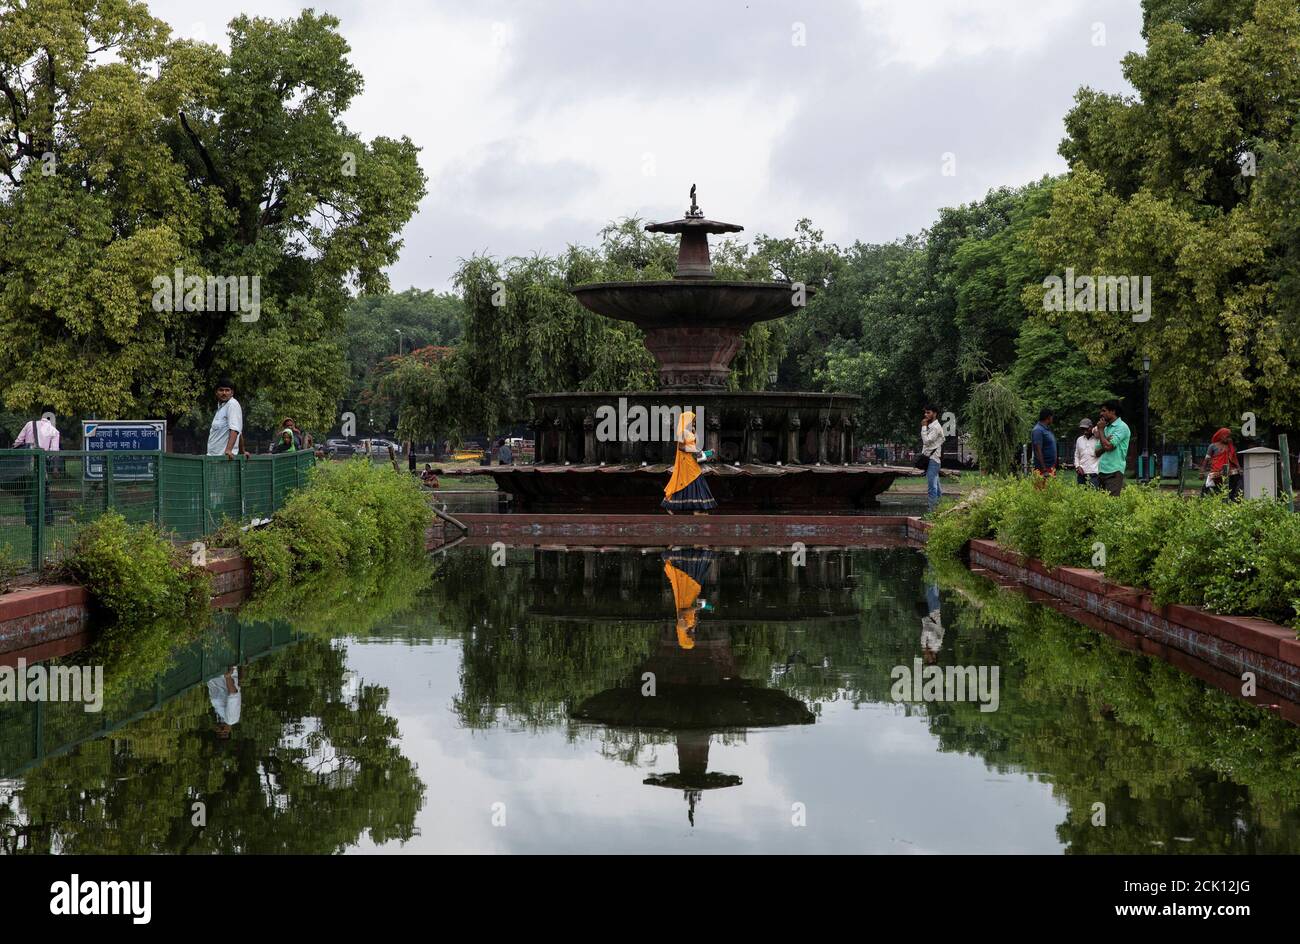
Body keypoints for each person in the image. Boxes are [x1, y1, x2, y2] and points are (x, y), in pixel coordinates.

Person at [662, 411, 717, 515]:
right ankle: (671, 505)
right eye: (692, 421)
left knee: (693, 482)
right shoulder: (682, 432)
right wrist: (694, 449)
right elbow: (681, 447)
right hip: (685, 462)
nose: (694, 423)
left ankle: (697, 509)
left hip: (692, 460)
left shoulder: (690, 432)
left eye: (694, 422)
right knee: (687, 482)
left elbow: (696, 448)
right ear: (687, 421)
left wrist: (708, 452)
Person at [13, 412, 60, 527]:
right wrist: (55, 468)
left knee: (29, 493)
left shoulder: (30, 424)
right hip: (42, 464)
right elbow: (54, 452)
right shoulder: (54, 431)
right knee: (45, 493)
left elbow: (17, 442)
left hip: (28, 464)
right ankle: (48, 520)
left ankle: (30, 521)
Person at [1094, 399, 1131, 496]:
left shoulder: (1122, 427)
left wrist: (1101, 431)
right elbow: (1097, 452)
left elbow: (1108, 446)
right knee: (1101, 505)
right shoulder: (1106, 428)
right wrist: (1105, 439)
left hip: (1114, 472)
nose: (1101, 413)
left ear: (1113, 411)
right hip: (1102, 471)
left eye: (1104, 411)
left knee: (1111, 504)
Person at [1201, 427, 1242, 498]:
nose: (1228, 438)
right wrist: (1201, 472)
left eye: (1229, 437)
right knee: (1211, 490)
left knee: (1231, 490)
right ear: (1221, 436)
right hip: (1216, 473)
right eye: (1227, 436)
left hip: (1229, 473)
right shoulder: (1212, 446)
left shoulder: (1230, 446)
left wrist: (1239, 468)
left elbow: (1234, 459)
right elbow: (1206, 459)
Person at [207, 379, 243, 459]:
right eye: (221, 390)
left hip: (224, 459)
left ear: (232, 393)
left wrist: (229, 450)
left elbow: (235, 430)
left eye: (227, 390)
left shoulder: (232, 404)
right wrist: (242, 452)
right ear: (216, 392)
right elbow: (239, 432)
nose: (224, 393)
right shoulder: (221, 407)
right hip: (214, 457)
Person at [920, 405, 945, 510]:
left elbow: (926, 441)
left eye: (928, 412)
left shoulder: (935, 427)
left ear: (935, 414)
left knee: (932, 487)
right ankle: (941, 508)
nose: (926, 415)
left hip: (933, 460)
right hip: (931, 459)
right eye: (925, 412)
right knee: (937, 487)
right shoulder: (932, 426)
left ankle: (932, 512)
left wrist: (923, 427)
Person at [208, 665, 242, 739]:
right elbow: (233, 694)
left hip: (212, 671)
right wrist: (228, 676)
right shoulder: (231, 720)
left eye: (219, 733)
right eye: (225, 732)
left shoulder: (217, 717)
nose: (222, 730)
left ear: (215, 730)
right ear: (230, 730)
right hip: (224, 670)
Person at [1031, 408, 1057, 479]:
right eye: (1052, 417)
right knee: (1042, 490)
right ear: (1048, 417)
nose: (1052, 419)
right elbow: (1037, 451)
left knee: (1051, 490)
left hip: (1050, 467)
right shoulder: (1038, 430)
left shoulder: (1046, 430)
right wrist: (1044, 470)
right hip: (1043, 470)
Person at [1074, 418, 1100, 487]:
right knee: (1081, 494)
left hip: (1094, 473)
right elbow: (1076, 455)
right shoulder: (1079, 439)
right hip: (1082, 473)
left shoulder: (1098, 439)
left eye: (1086, 429)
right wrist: (1077, 466)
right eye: (1082, 429)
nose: (1085, 431)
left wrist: (1095, 431)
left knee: (1093, 494)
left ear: (1091, 427)